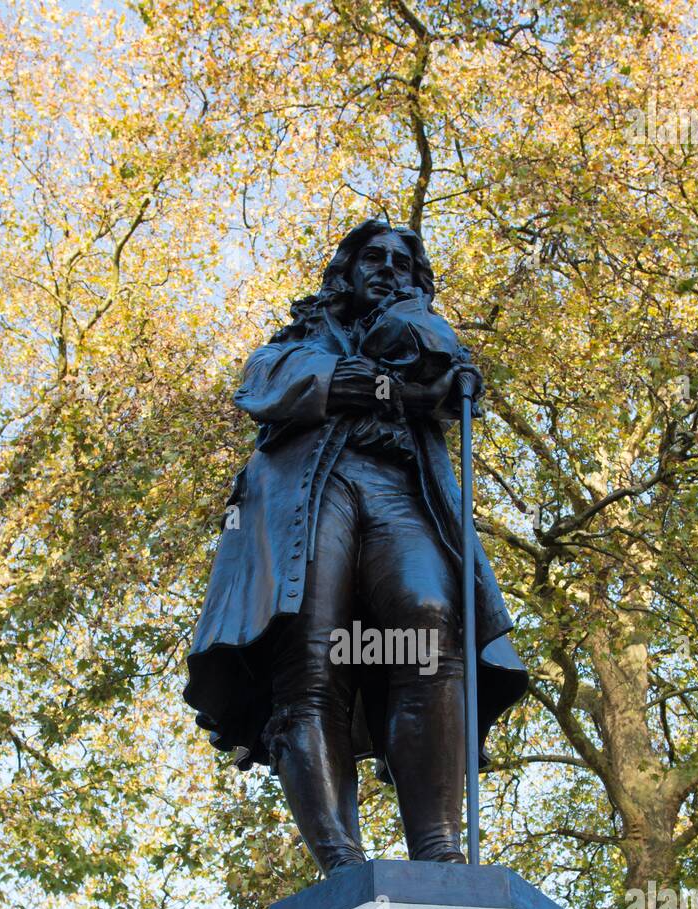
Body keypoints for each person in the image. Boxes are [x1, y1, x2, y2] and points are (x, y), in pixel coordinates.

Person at [184, 219, 527, 875]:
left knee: (431, 623)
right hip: (313, 490)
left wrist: (420, 331)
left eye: (405, 262)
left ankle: (439, 849)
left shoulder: (416, 331)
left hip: (402, 488)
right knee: (309, 655)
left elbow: (439, 378)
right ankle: (340, 860)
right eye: (374, 257)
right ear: (344, 272)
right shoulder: (303, 340)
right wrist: (367, 382)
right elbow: (264, 380)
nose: (390, 267)